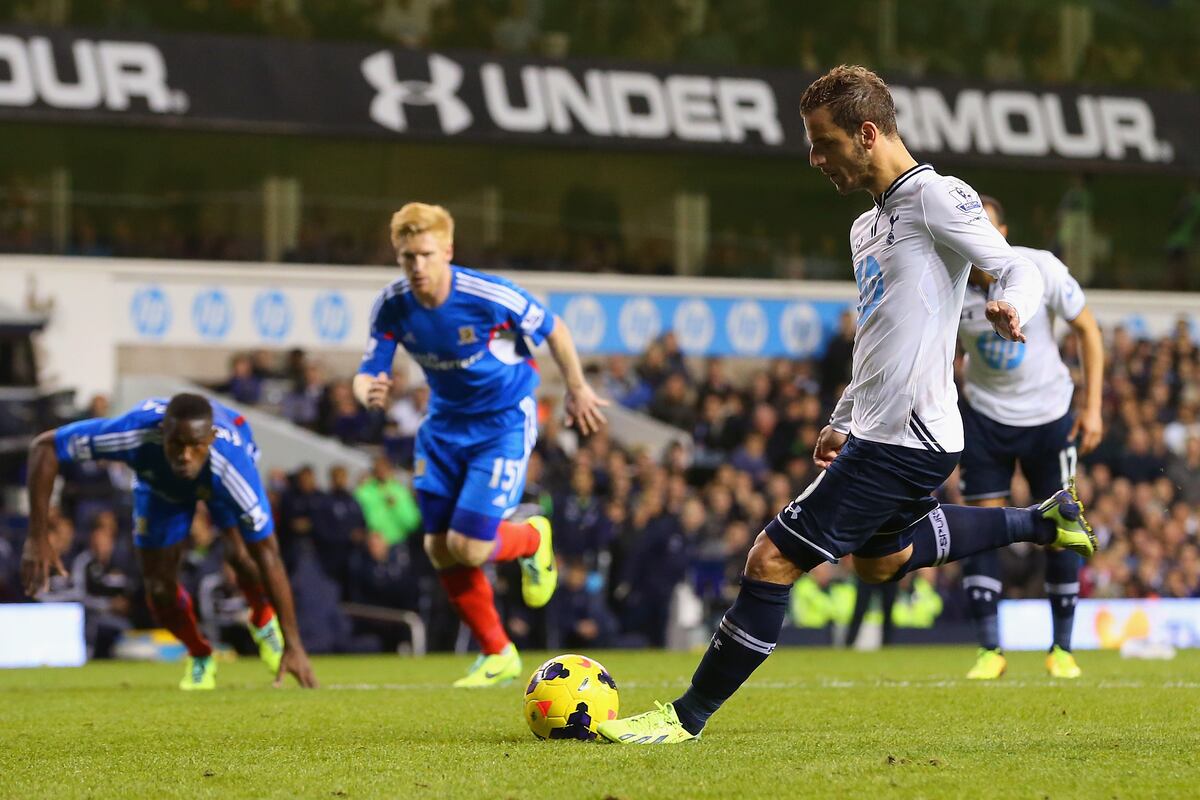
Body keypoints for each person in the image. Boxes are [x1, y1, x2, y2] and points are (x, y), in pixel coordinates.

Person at [598, 65, 1095, 745]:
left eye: (823, 142)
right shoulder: (868, 227)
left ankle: (684, 719)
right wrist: (843, 416)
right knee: (880, 562)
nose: (815, 159)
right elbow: (880, 332)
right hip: (888, 429)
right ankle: (1042, 523)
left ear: (867, 134)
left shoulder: (935, 196)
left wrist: (1013, 304)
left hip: (908, 435)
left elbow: (1019, 265)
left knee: (770, 560)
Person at [354, 202, 607, 687]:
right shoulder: (391, 304)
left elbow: (555, 328)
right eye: (407, 257)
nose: (417, 267)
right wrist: (367, 389)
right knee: (437, 546)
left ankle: (533, 539)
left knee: (468, 547)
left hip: (501, 425)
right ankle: (498, 653)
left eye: (426, 254)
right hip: (444, 427)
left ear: (447, 250)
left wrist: (576, 387)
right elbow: (370, 368)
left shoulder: (486, 294)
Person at [21, 393, 317, 690]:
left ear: (210, 439)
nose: (185, 455)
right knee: (159, 589)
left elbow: (269, 555)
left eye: (195, 446)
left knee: (243, 555)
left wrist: (295, 645)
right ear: (163, 432)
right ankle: (201, 654)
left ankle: (264, 620)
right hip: (160, 488)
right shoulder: (131, 434)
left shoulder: (233, 467)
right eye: (177, 443)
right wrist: (37, 536)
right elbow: (45, 447)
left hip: (215, 481)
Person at [957, 194, 1105, 681]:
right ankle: (989, 652)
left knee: (1062, 523)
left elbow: (1087, 329)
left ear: (1001, 234)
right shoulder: (948, 283)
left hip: (1049, 415)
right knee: (982, 527)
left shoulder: (1039, 268)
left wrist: (1092, 407)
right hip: (984, 418)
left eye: (987, 227)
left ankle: (1061, 649)